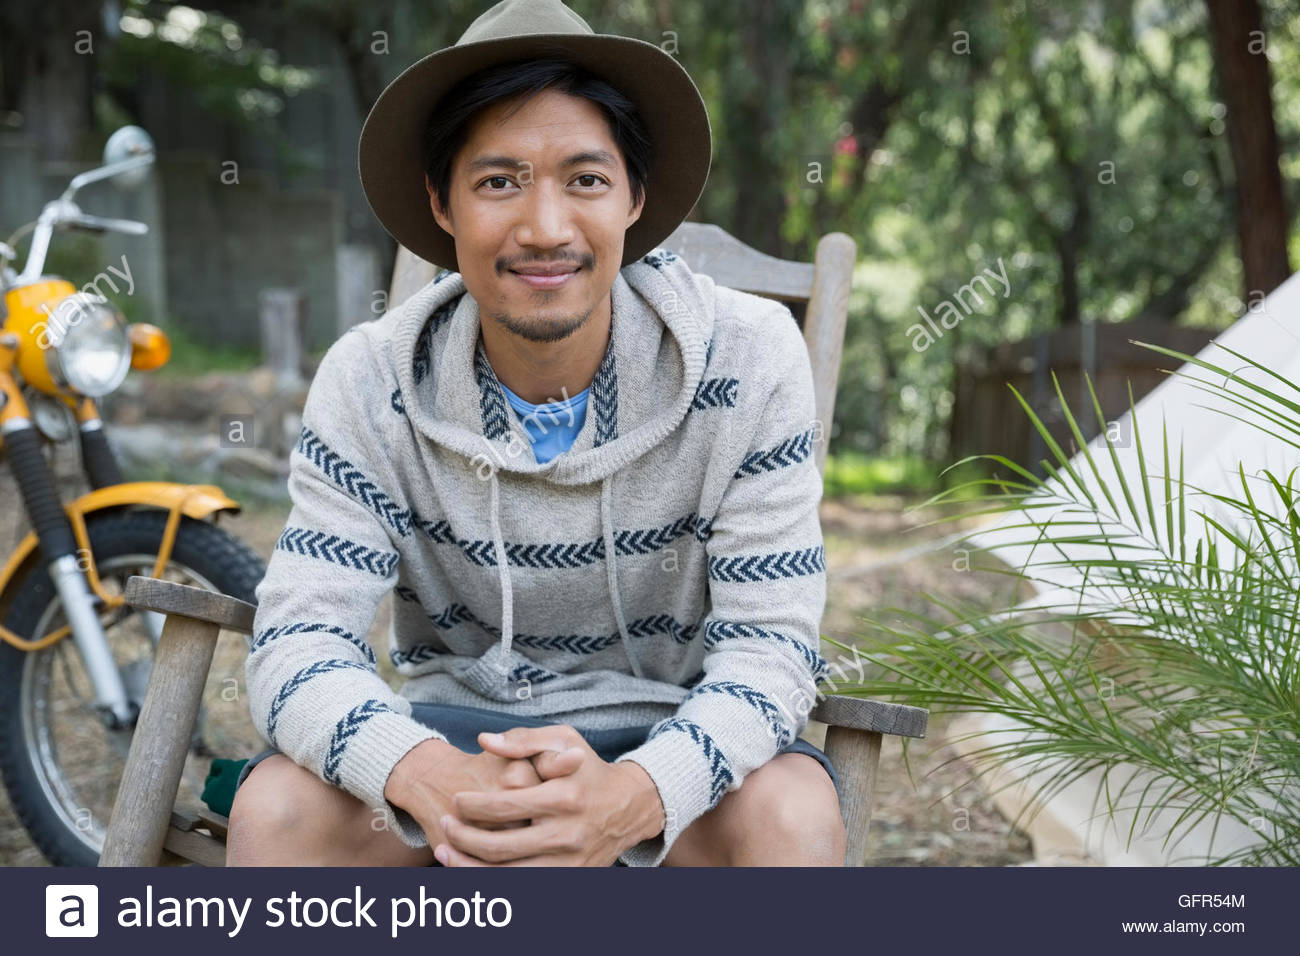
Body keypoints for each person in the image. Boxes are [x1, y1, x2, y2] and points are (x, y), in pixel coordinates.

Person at [226, 0, 845, 867]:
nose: (545, 228)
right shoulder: (370, 380)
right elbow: (299, 638)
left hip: (673, 740)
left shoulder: (749, 360)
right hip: (451, 741)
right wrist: (423, 774)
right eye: (499, 181)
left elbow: (773, 648)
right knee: (281, 813)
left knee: (791, 815)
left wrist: (632, 797)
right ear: (441, 203)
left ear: (635, 196)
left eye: (585, 180)